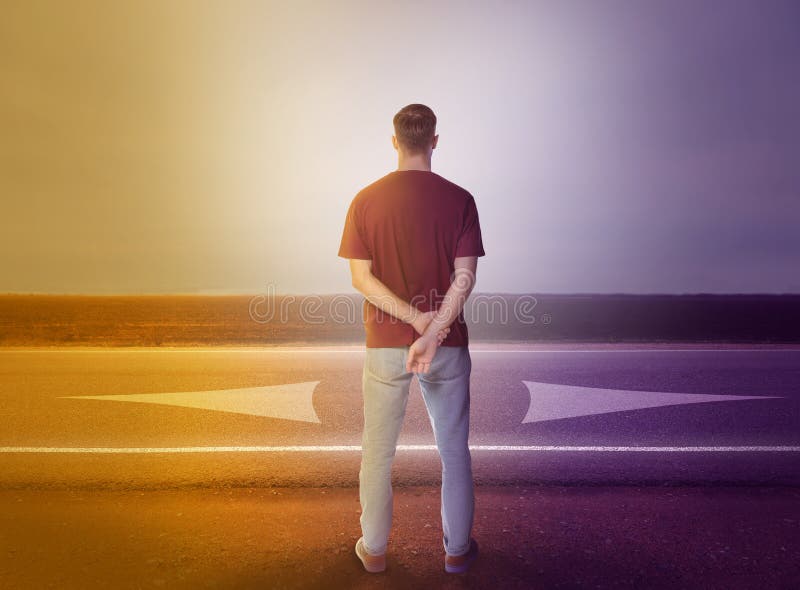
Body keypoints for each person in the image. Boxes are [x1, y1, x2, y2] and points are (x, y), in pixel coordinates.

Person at [337, 103, 486, 574]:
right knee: (453, 452)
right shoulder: (460, 200)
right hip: (447, 346)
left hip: (385, 344)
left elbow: (361, 278)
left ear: (395, 141)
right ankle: (456, 552)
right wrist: (434, 330)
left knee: (377, 453)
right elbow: (465, 279)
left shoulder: (365, 200)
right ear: (434, 141)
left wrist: (413, 320)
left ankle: (374, 550)